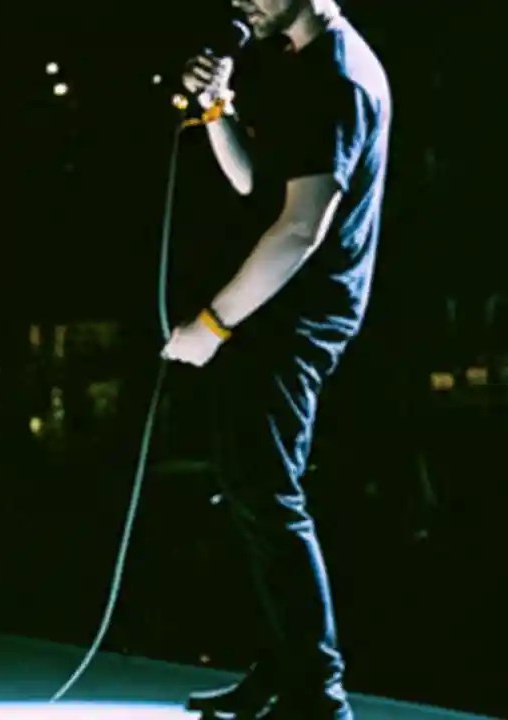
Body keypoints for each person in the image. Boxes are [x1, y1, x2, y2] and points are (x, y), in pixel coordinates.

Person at [159, 1, 390, 718]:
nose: (244, 0)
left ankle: (319, 697)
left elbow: (299, 230)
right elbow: (258, 184)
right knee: (251, 489)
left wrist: (212, 325)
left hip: (300, 314)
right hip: (277, 310)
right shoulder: (298, 65)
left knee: (268, 492)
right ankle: (282, 668)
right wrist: (218, 111)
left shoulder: (340, 77)